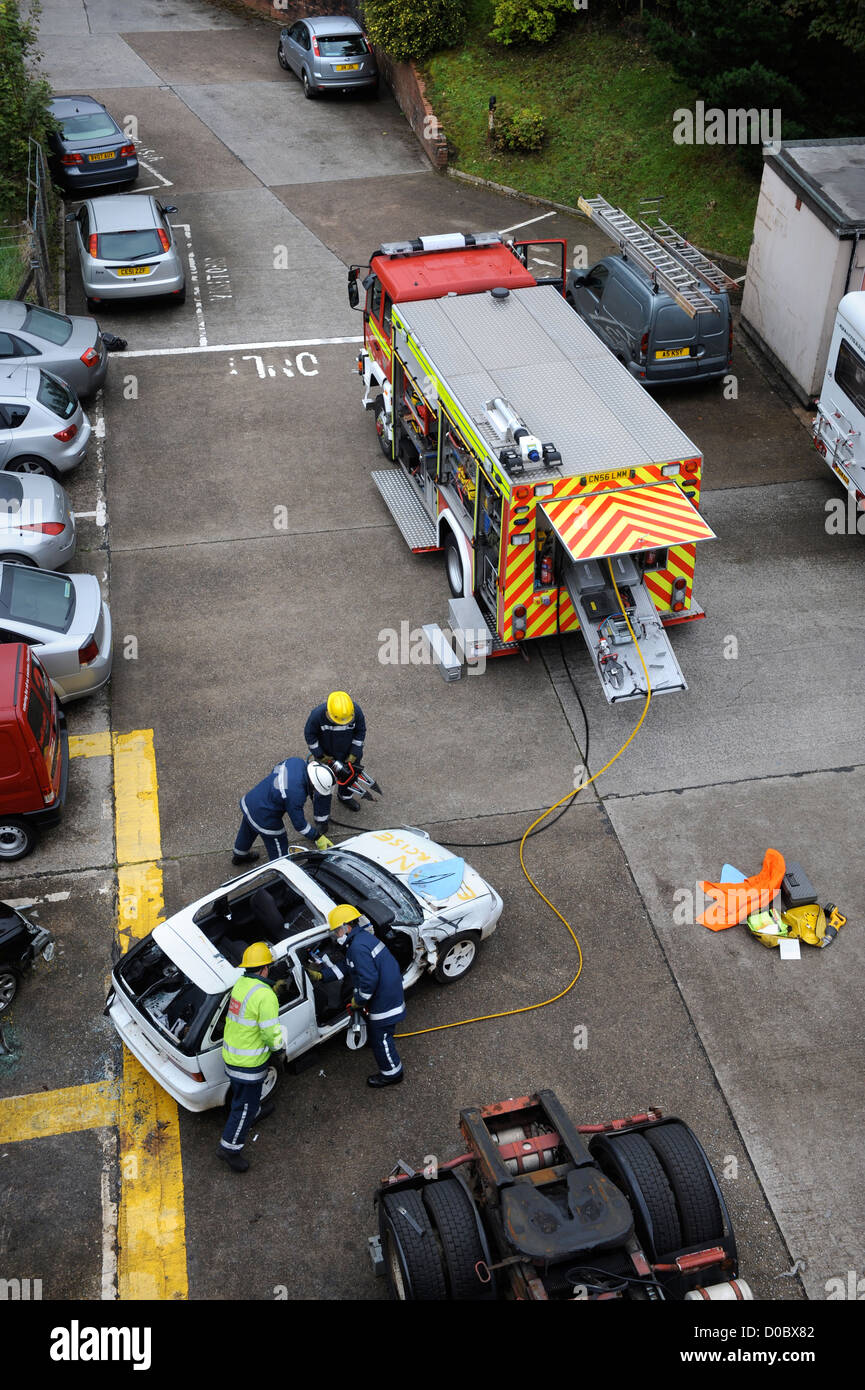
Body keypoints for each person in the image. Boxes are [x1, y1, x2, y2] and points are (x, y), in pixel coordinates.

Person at [218, 942, 284, 1173]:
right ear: (265, 969)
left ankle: (255, 1110)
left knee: (244, 1098)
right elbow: (270, 1032)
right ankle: (229, 1148)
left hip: (232, 1056)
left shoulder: (240, 984)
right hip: (249, 1064)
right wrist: (279, 1049)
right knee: (243, 1108)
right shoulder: (266, 996)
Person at [328, 904, 405, 1088]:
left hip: (385, 1001)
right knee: (378, 1033)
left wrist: (358, 1001)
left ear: (346, 927)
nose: (336, 936)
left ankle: (392, 1073)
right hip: (389, 992)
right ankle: (377, 1043)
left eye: (336, 931)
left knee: (382, 1038)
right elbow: (349, 966)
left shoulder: (356, 948)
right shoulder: (361, 940)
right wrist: (323, 975)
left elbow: (368, 981)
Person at [233, 757, 335, 864]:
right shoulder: (296, 794)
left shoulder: (296, 761)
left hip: (251, 800)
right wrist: (317, 836)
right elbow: (299, 824)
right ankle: (281, 868)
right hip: (265, 815)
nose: (315, 792)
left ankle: (239, 856)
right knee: (278, 842)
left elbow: (275, 770)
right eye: (316, 790)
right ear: (313, 784)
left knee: (247, 830)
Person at [304, 691, 366, 812]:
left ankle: (345, 797)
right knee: (323, 783)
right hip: (326, 755)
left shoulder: (355, 711)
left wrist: (354, 753)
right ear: (328, 712)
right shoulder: (317, 715)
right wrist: (320, 755)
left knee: (349, 777)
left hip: (349, 754)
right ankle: (322, 816)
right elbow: (310, 736)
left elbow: (360, 732)